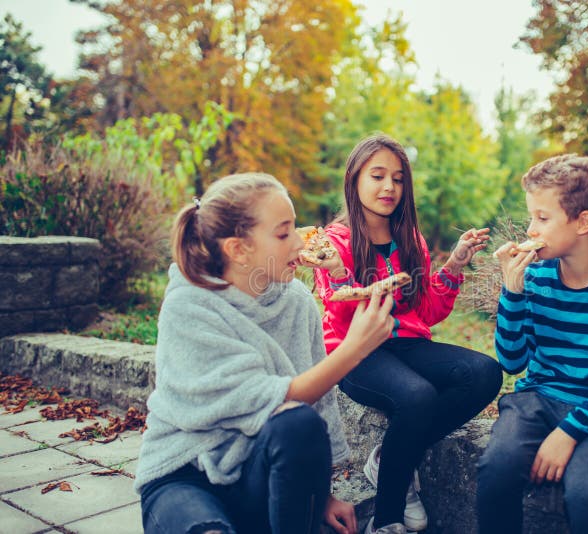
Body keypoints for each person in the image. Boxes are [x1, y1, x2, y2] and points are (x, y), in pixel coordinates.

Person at [134, 173, 395, 534]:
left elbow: (315, 407)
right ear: (238, 249)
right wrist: (353, 351)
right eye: (284, 233)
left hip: (256, 475)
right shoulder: (189, 306)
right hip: (185, 475)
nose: (299, 242)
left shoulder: (298, 304)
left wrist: (322, 494)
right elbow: (261, 398)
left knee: (299, 422)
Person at [311, 133, 503, 534]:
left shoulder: (410, 239)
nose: (389, 187)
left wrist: (453, 265)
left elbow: (427, 312)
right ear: (355, 180)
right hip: (356, 351)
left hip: (405, 343)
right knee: (416, 396)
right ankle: (387, 520)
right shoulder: (334, 242)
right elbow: (343, 317)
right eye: (377, 175)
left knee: (485, 372)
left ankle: (391, 458)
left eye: (398, 179)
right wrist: (339, 275)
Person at [477, 155, 588, 533]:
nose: (531, 228)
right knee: (498, 466)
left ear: (583, 222)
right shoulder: (537, 277)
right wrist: (512, 290)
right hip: (536, 399)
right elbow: (512, 361)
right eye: (531, 217)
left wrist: (568, 432)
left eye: (542, 218)